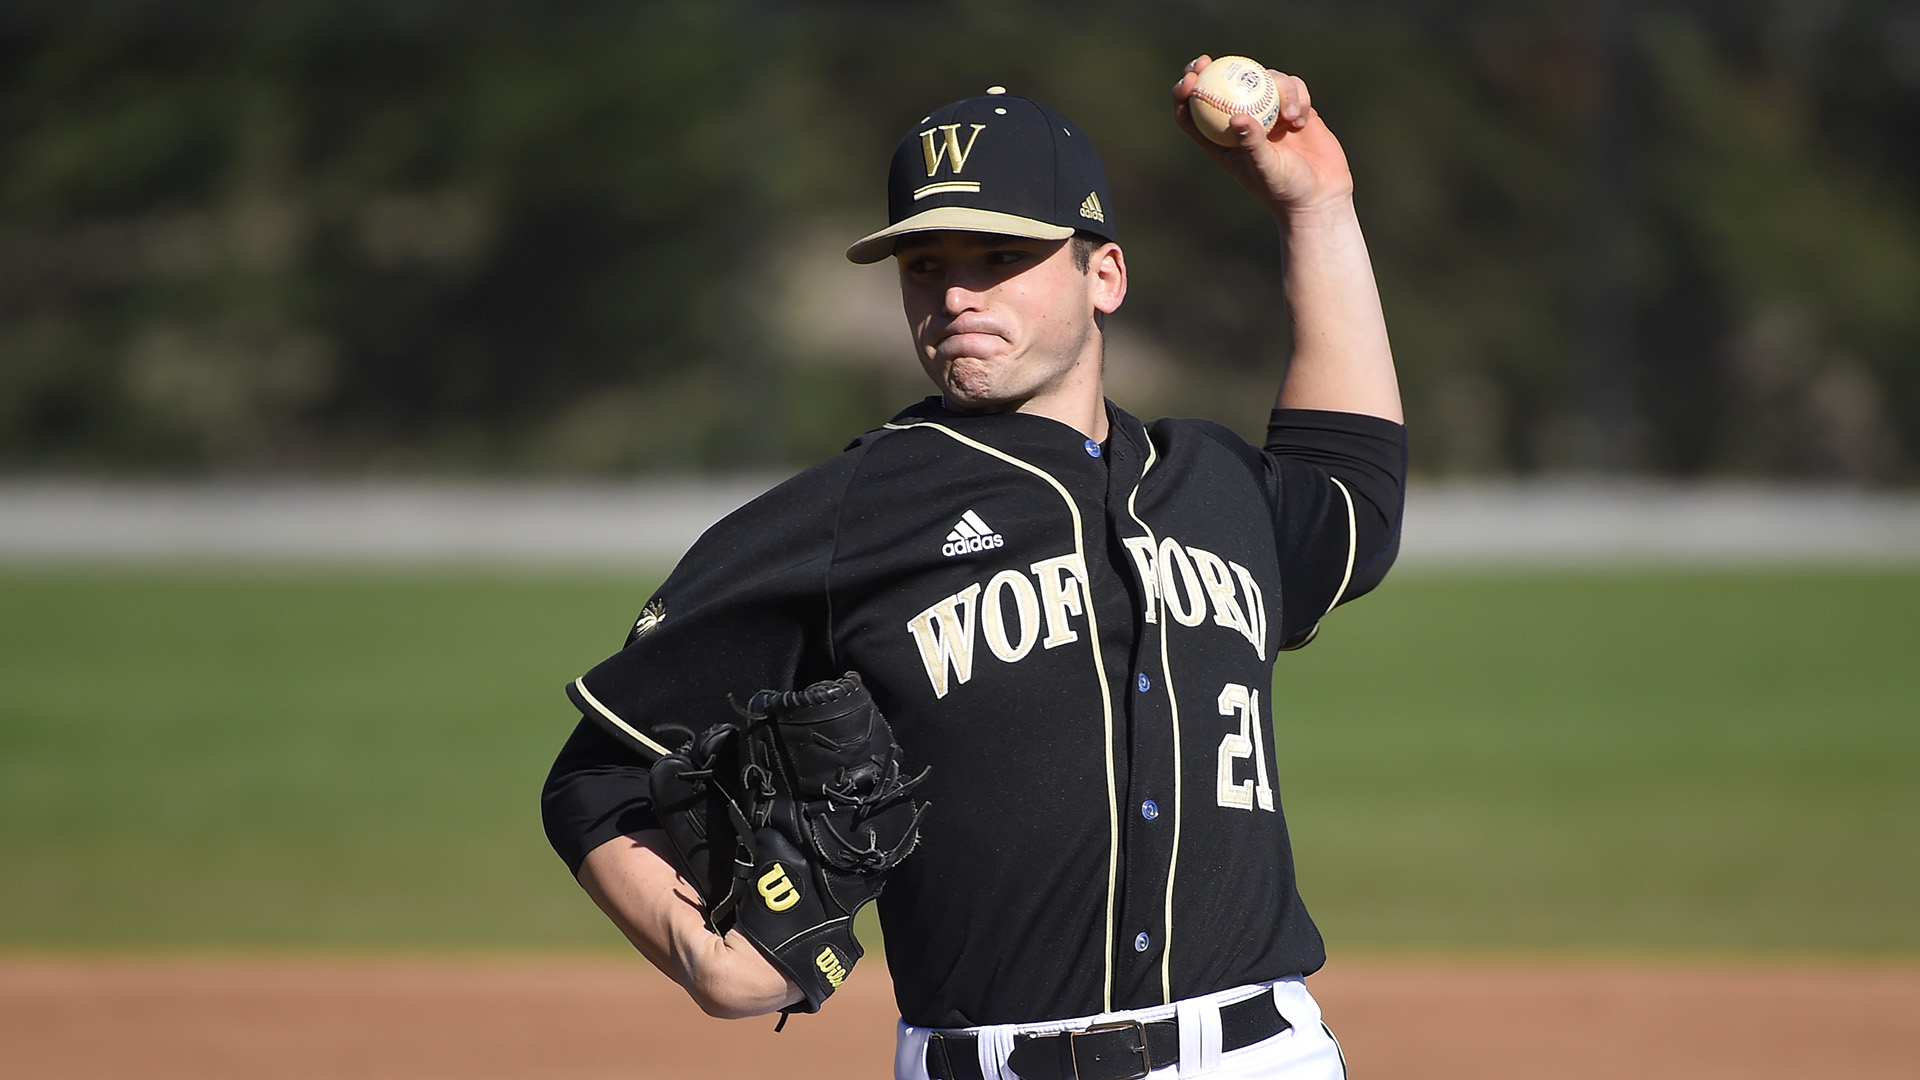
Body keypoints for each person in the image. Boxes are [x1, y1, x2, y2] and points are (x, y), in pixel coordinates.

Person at [542, 57, 1405, 1080]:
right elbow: (598, 770)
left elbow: (1353, 490)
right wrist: (704, 957)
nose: (954, 294)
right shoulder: (850, 515)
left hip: (1261, 1055)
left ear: (1106, 275)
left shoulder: (1211, 485)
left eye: (1000, 256)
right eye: (924, 264)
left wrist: (1319, 207)